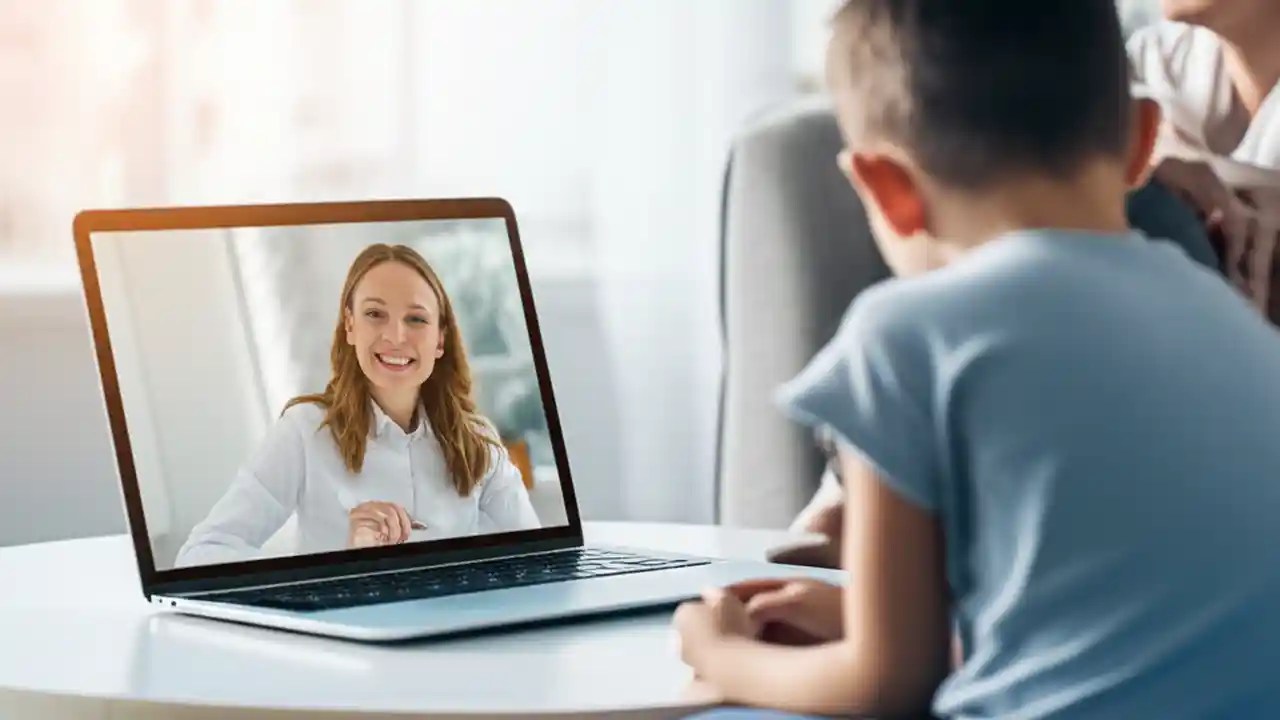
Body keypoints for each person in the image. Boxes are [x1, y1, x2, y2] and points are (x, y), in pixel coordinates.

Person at [672, 1, 1280, 717]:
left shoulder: (902, 334)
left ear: (883, 188)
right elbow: (1133, 627)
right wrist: (866, 622)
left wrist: (722, 656)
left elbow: (887, 684)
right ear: (1146, 143)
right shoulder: (1237, 324)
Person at [779, 0, 1280, 571]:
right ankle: (874, 504)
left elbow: (888, 665)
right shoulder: (1162, 62)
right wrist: (1165, 169)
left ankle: (877, 506)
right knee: (1057, 194)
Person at [176, 244, 539, 567]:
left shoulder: (477, 439)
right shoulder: (305, 432)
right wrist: (339, 564)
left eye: (416, 319)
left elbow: (537, 559)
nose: (396, 337)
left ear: (440, 339)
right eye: (375, 314)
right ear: (350, 326)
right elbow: (201, 554)